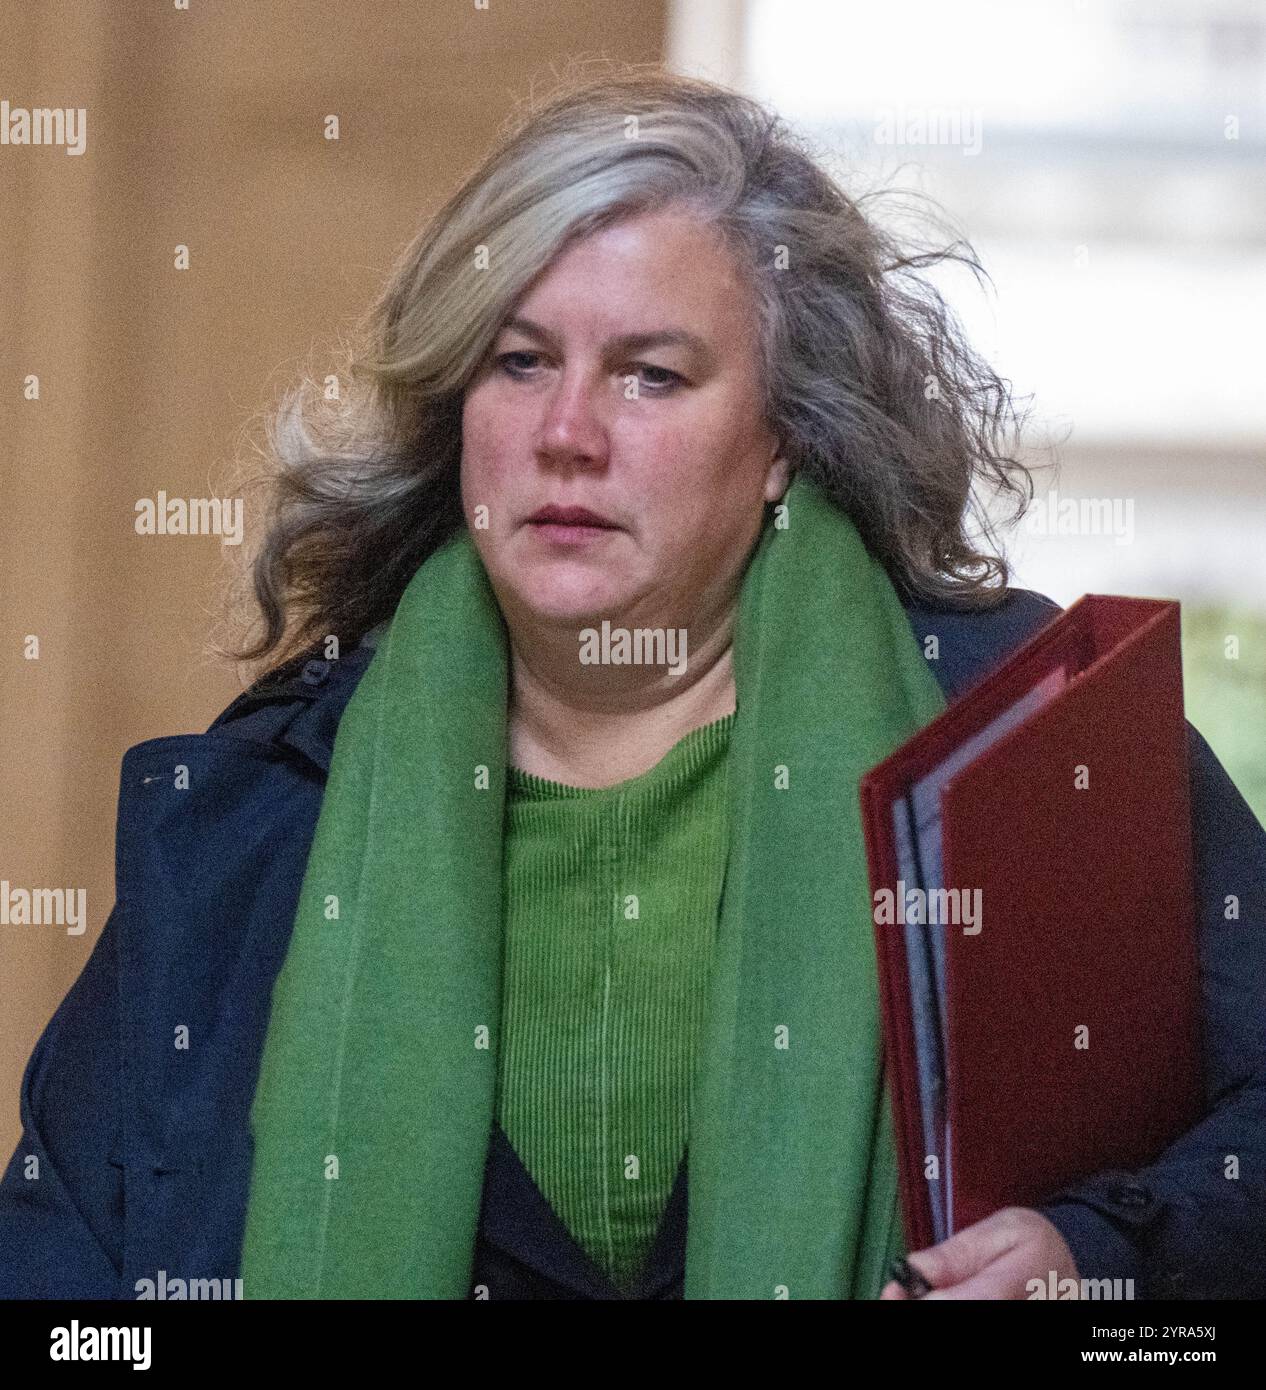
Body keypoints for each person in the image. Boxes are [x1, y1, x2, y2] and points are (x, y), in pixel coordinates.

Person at [2, 67, 1264, 1301]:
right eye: (519, 362)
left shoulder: (1020, 741)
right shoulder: (259, 810)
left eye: (651, 374)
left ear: (784, 440)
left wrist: (1097, 1263)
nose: (568, 432)